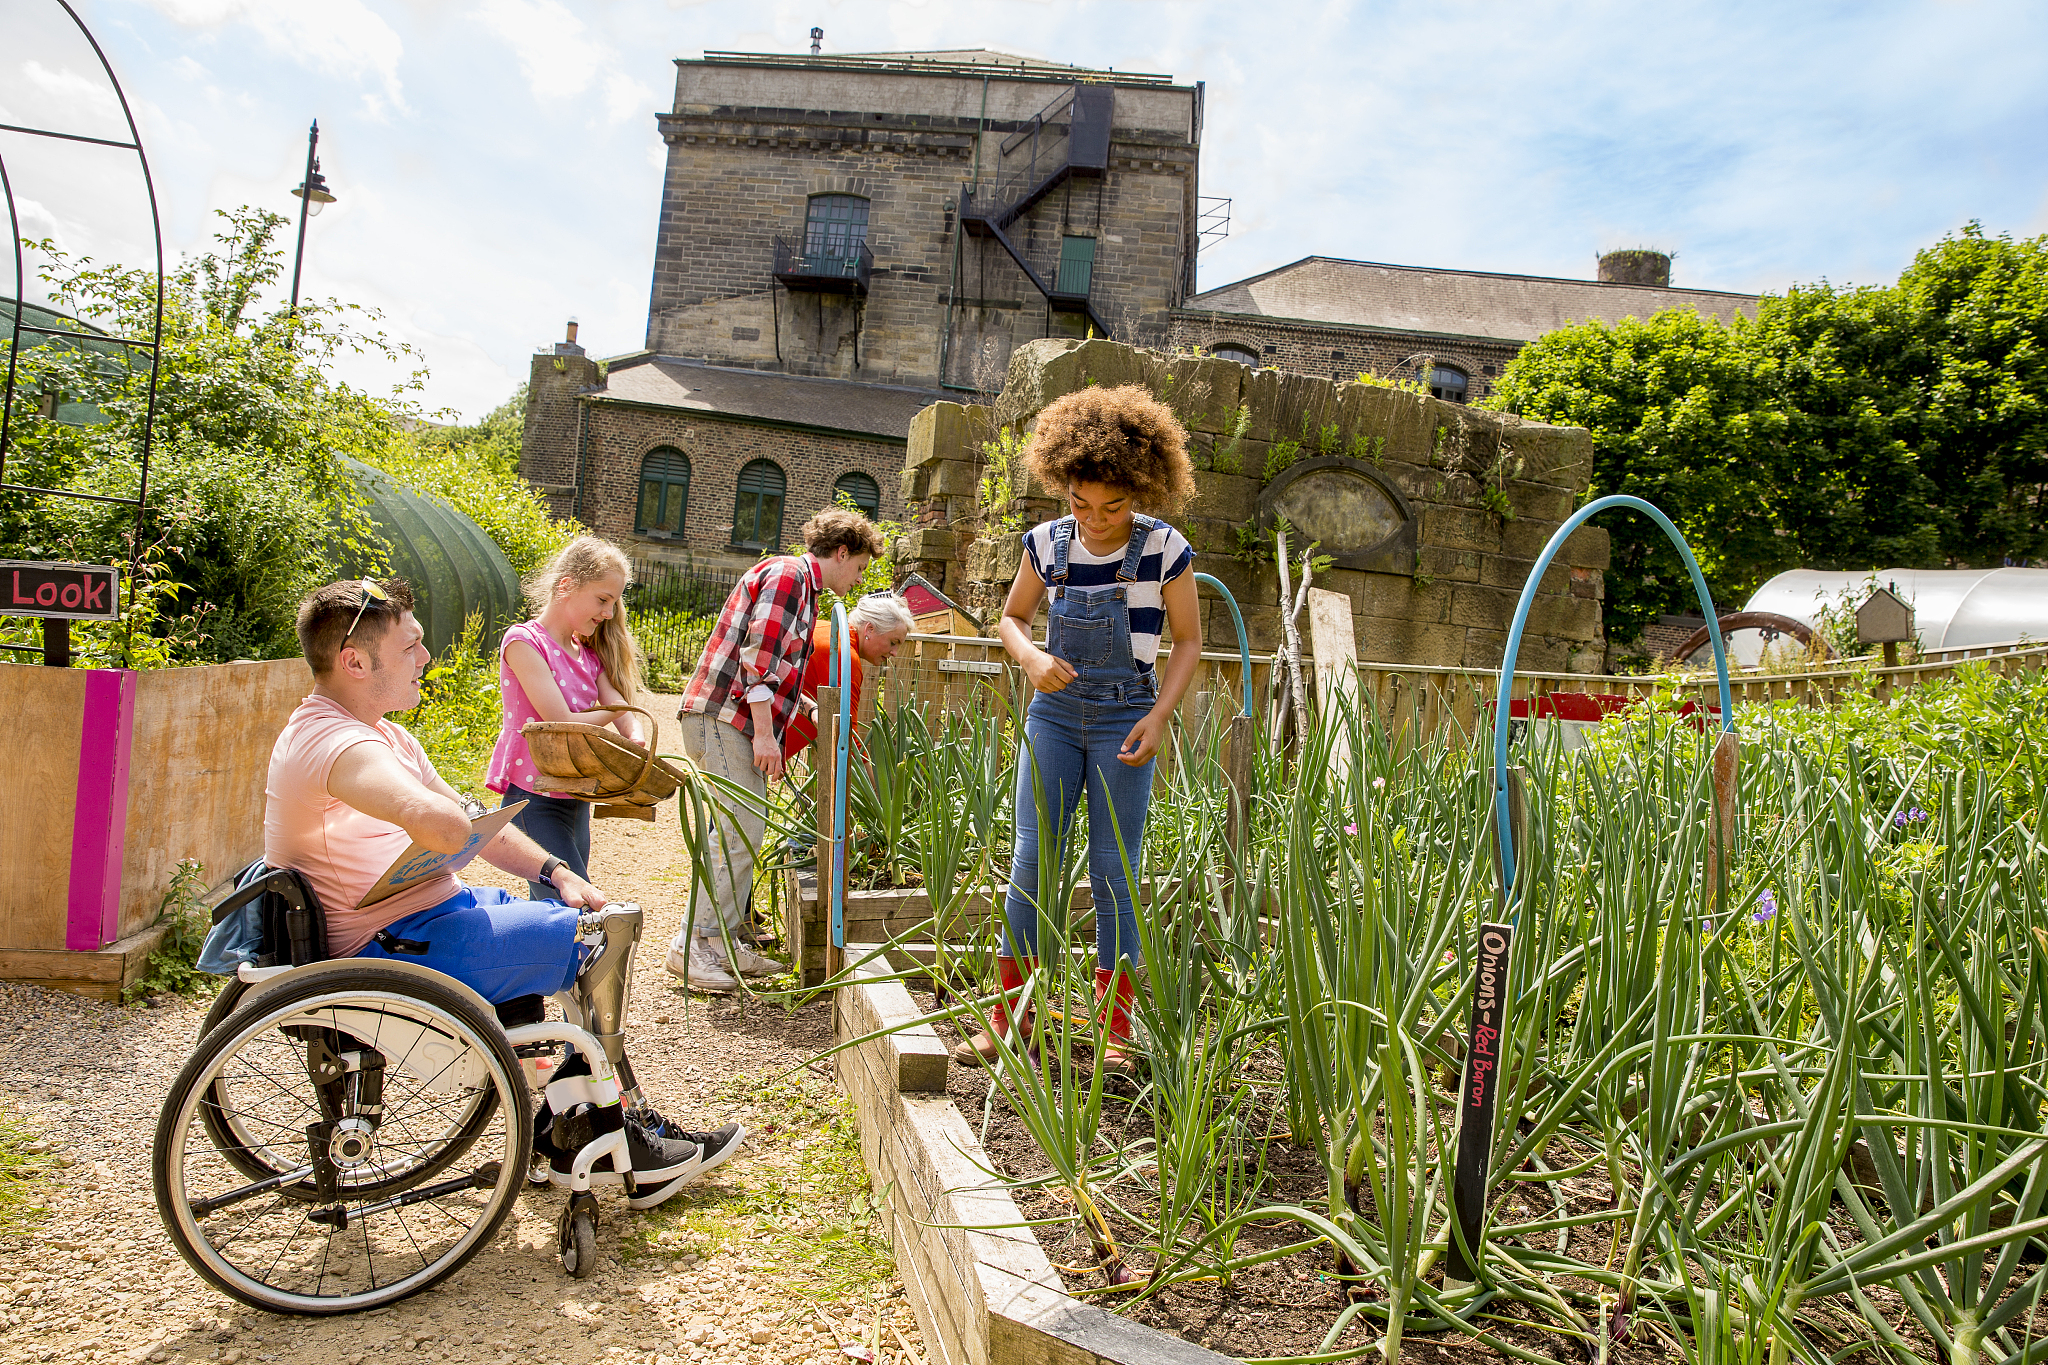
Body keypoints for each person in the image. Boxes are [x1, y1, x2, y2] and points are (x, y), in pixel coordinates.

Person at [264, 576, 744, 1203]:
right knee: (605, 933)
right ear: (354, 661)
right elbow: (437, 818)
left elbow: (471, 825)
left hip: (424, 919)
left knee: (568, 913)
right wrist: (438, 816)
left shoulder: (379, 731)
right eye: (409, 646)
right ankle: (628, 1136)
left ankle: (567, 1123)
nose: (426, 658)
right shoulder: (340, 743)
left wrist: (557, 873)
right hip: (397, 944)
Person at [950, 386, 1202, 1077]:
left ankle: (1113, 1029)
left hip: (1126, 715)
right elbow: (1011, 618)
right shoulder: (1045, 545)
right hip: (1055, 717)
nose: (1094, 520)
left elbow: (1187, 641)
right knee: (1032, 860)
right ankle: (1012, 1017)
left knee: (1114, 871)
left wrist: (1158, 716)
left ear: (1142, 489)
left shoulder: (1163, 549)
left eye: (1113, 506)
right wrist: (1029, 657)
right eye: (1079, 503)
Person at [666, 506, 885, 992]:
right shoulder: (790, 576)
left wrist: (805, 707)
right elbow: (758, 660)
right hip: (727, 717)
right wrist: (766, 734)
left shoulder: (802, 587)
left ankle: (720, 941)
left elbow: (779, 668)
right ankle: (693, 945)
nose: (858, 579)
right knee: (735, 832)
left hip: (732, 717)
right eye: (861, 567)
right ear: (842, 552)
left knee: (742, 831)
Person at [489, 535, 645, 900]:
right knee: (572, 904)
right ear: (567, 586)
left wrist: (634, 735)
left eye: (614, 602)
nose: (608, 612)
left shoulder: (587, 655)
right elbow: (558, 720)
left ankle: (547, 956)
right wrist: (614, 715)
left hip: (574, 793)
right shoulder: (524, 642)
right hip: (533, 795)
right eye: (602, 599)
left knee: (560, 905)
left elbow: (619, 704)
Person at [781, 592, 916, 762]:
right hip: (755, 744)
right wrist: (875, 787)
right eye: (893, 642)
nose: (894, 653)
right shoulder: (844, 657)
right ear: (870, 629)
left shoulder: (826, 629)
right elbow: (846, 737)